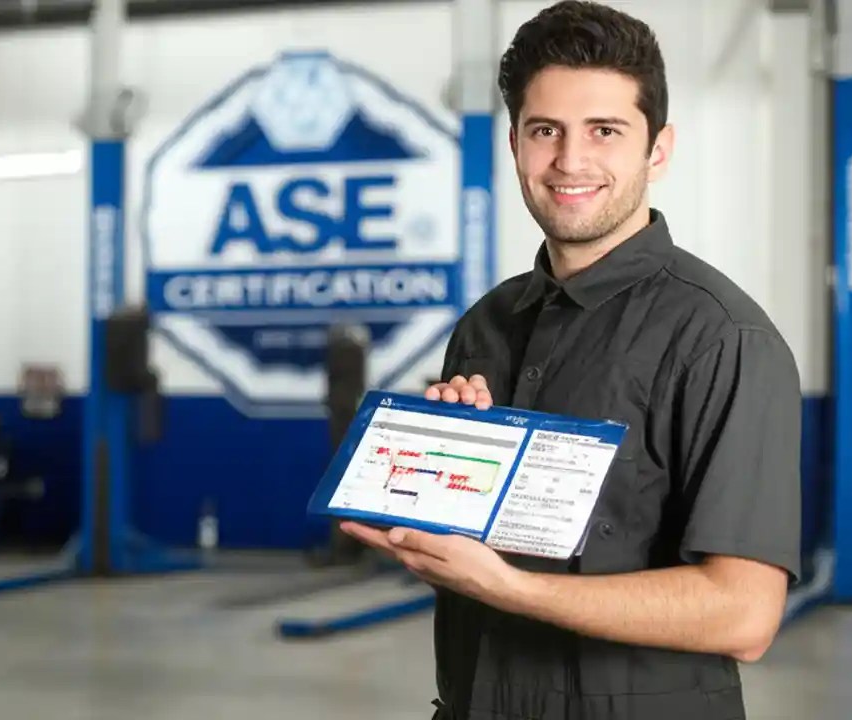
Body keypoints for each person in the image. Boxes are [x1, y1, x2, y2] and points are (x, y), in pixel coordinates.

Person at [338, 2, 802, 718]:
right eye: (544, 130)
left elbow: (743, 615)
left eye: (605, 131)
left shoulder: (722, 338)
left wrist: (508, 586)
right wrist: (435, 488)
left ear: (659, 150)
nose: (569, 161)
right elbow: (465, 550)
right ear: (516, 144)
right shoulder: (485, 325)